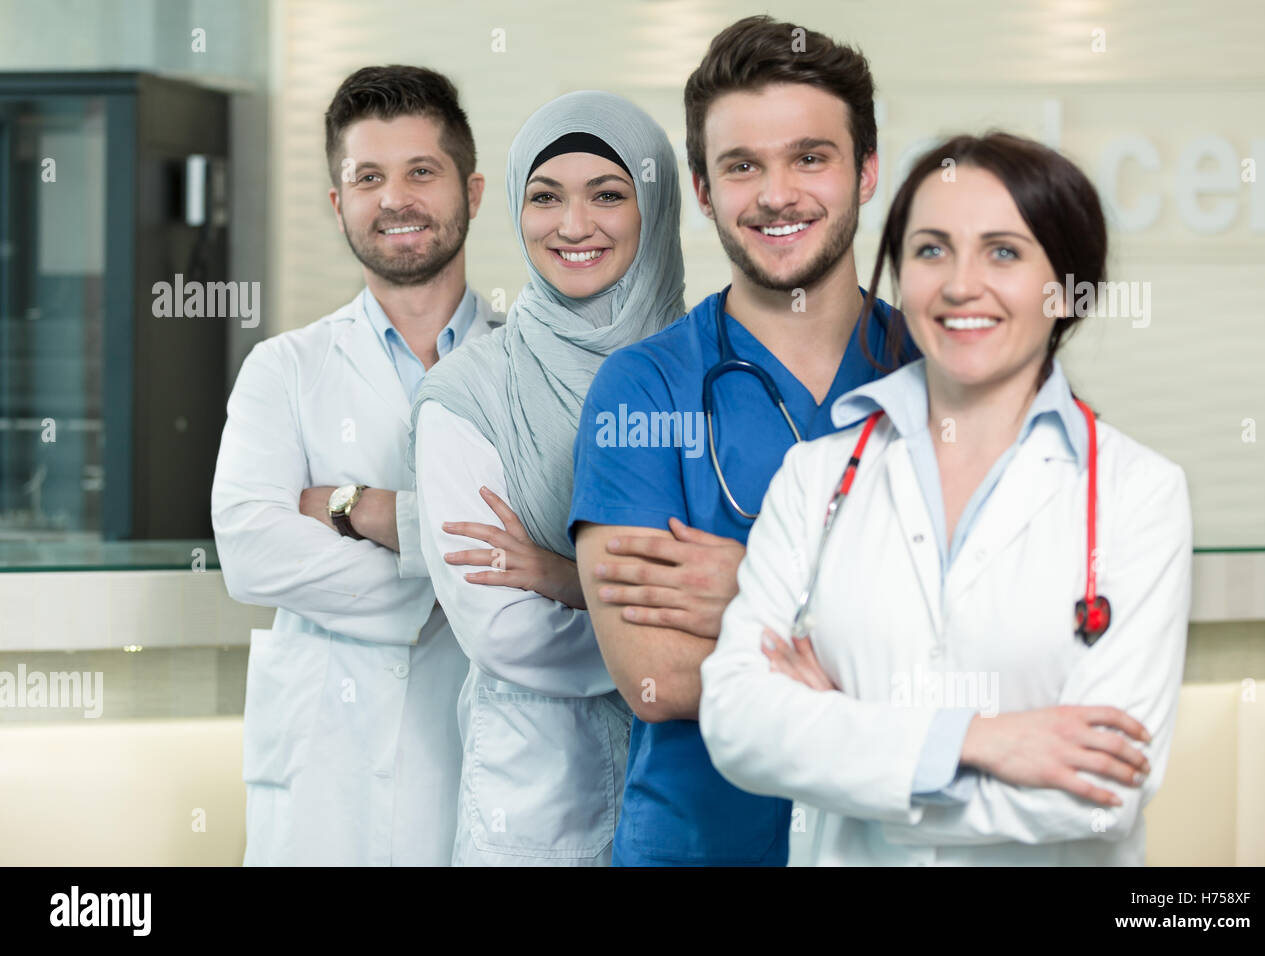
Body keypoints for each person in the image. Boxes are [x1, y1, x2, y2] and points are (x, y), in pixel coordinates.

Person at [699, 131, 1193, 866]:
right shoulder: (816, 477)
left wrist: (843, 741)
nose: (961, 285)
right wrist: (980, 740)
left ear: (1063, 285)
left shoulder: (1138, 495)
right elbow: (737, 723)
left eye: (1003, 251)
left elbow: (1098, 791)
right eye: (932, 250)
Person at [568, 16, 915, 866]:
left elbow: (1006, 647)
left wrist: (750, 590)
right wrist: (889, 637)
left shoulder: (940, 378)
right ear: (702, 188)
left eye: (810, 157)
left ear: (866, 171)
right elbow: (652, 674)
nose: (776, 194)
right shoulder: (643, 389)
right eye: (741, 166)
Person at [211, 65, 499, 866]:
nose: (394, 198)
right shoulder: (285, 369)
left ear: (471, 192)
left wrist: (356, 510)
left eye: (421, 172)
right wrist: (451, 575)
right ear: (339, 204)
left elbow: (552, 561)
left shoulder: (523, 368)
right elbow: (250, 548)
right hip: (320, 786)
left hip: (479, 767)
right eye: (368, 177)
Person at [410, 90, 685, 866]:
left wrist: (566, 579)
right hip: (537, 806)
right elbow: (504, 629)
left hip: (707, 793)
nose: (572, 225)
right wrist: (670, 639)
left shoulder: (714, 368)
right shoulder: (471, 391)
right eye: (544, 197)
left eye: (607, 194)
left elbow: (776, 597)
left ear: (656, 206)